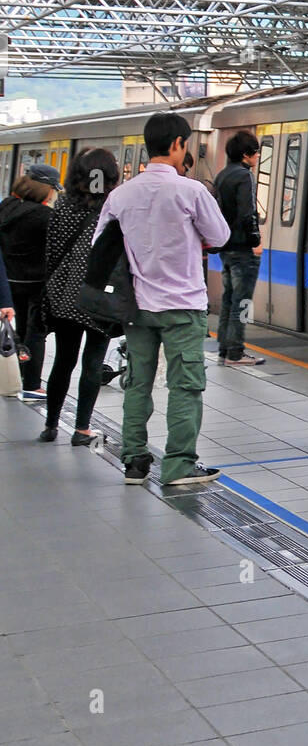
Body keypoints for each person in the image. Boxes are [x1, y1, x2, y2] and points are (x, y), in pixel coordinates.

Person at [94, 111, 230, 486]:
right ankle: (178, 465)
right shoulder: (190, 191)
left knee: (138, 383)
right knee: (185, 386)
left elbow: (100, 247)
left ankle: (135, 462)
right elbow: (219, 237)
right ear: (176, 145)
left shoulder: (121, 195)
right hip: (183, 307)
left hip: (137, 307)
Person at [39, 148, 120, 447]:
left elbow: (52, 254)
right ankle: (82, 429)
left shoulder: (63, 207)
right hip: (100, 295)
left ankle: (50, 425)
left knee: (63, 360)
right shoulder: (114, 209)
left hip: (65, 296)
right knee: (93, 362)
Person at [0, 174, 56, 399]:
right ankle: (32, 384)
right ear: (43, 191)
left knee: (19, 329)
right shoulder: (44, 216)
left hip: (9, 281)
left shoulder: (5, 207)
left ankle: (17, 375)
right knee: (36, 331)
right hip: (36, 282)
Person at [213, 131, 264, 367]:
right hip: (243, 248)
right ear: (247, 155)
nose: (257, 156)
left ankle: (224, 348)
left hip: (226, 246)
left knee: (228, 299)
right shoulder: (245, 176)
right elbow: (247, 213)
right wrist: (255, 241)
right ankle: (236, 351)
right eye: (256, 152)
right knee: (242, 301)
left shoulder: (222, 175)